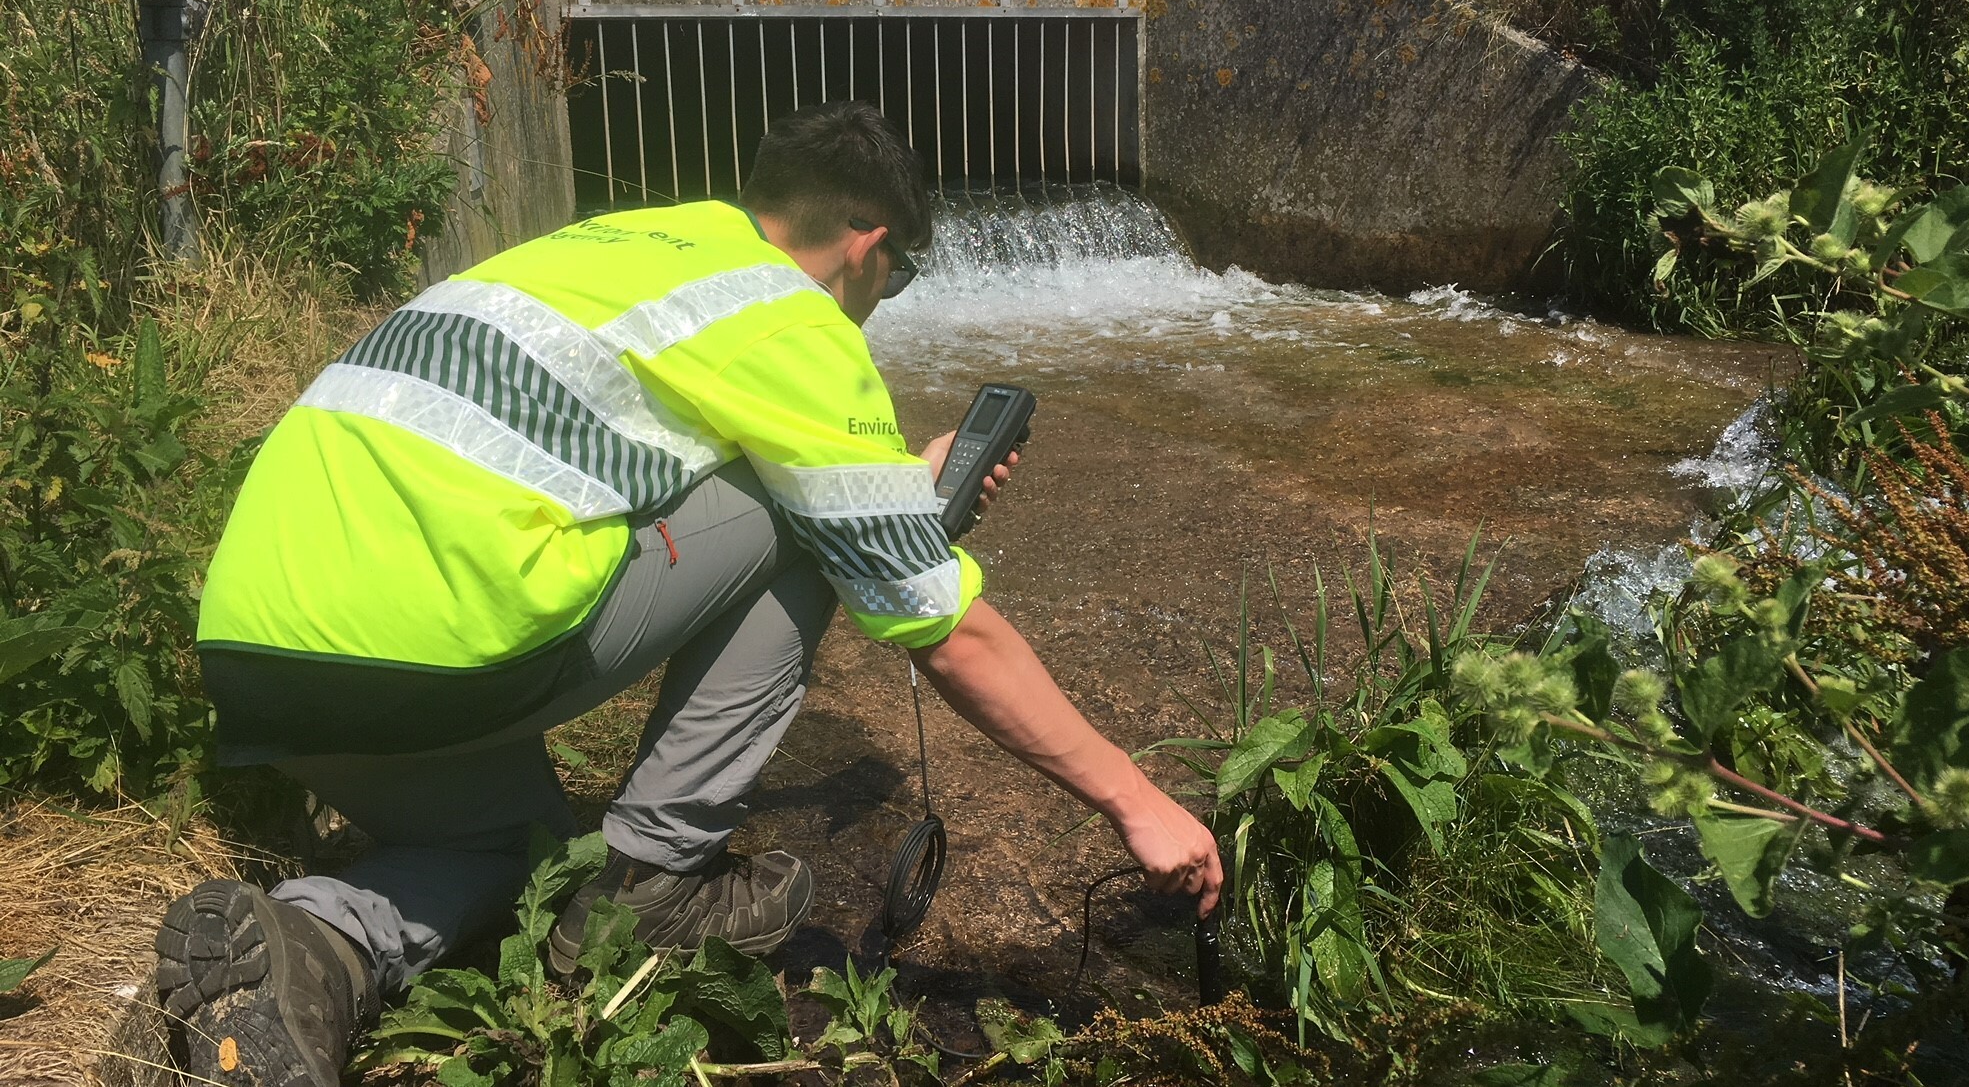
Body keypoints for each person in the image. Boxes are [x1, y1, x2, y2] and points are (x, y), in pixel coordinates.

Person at [155, 101, 1223, 1087]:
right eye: (892, 283)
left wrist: (902, 482)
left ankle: (307, 953)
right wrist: (1139, 804)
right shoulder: (794, 321)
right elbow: (952, 635)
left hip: (262, 663)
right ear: (866, 244)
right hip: (449, 651)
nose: (878, 306)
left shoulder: (619, 245)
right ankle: (658, 879)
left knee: (519, 855)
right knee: (805, 516)